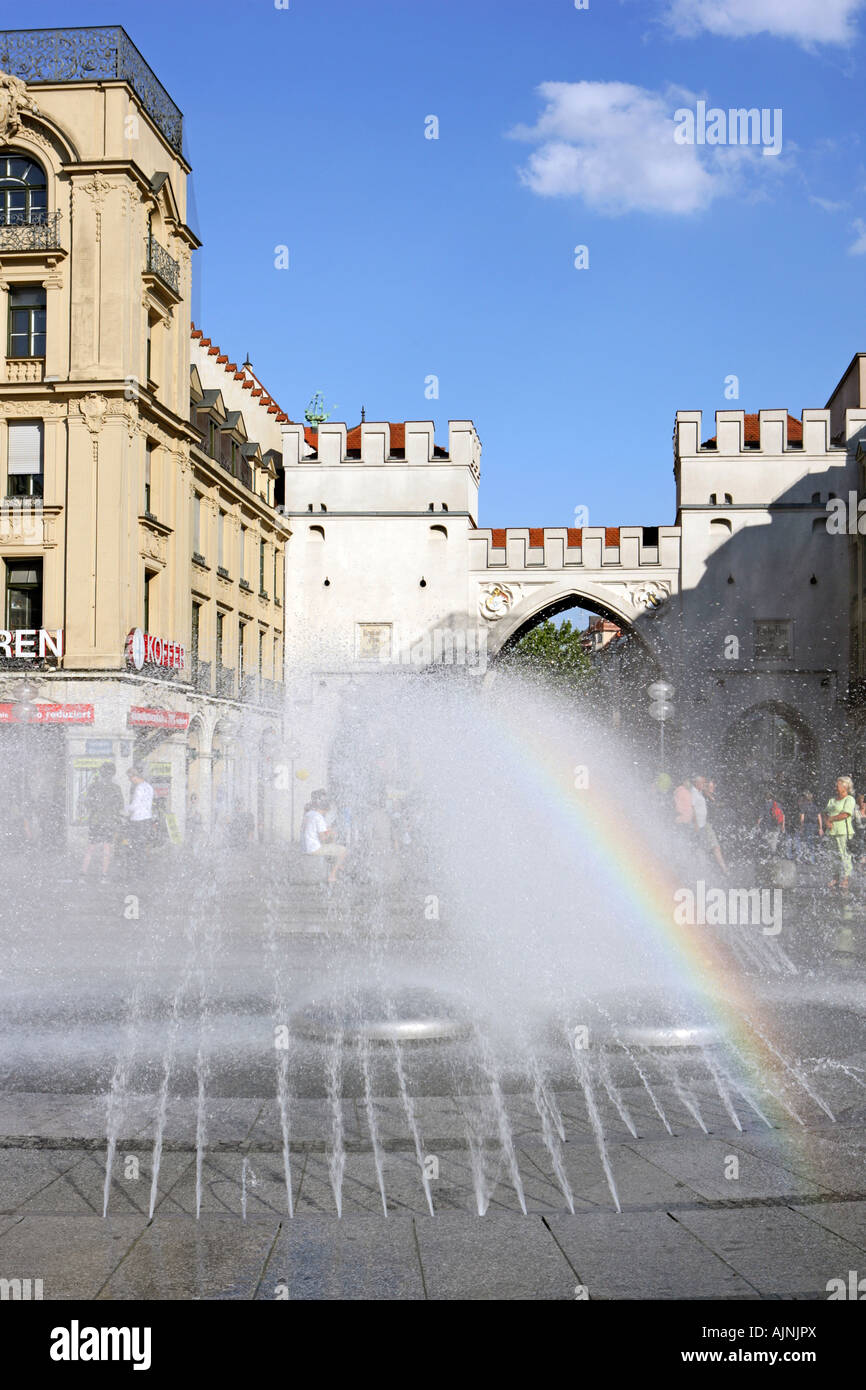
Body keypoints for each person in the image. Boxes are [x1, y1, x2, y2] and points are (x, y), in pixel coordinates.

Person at [81, 761, 123, 883]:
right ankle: (103, 875)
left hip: (95, 821)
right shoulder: (116, 788)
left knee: (90, 847)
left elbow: (87, 803)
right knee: (107, 848)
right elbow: (120, 805)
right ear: (113, 774)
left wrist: (96, 808)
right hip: (109, 822)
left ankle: (83, 874)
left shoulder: (93, 787)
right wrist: (110, 810)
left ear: (101, 773)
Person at [300, 789, 347, 883]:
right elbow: (323, 839)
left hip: (304, 847)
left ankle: (337, 863)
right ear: (325, 810)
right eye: (327, 812)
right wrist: (330, 833)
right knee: (343, 850)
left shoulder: (309, 814)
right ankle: (332, 875)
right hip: (313, 848)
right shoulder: (319, 817)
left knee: (332, 847)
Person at [825, 775, 856, 892]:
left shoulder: (849, 799)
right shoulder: (832, 800)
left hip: (844, 832)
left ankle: (846, 878)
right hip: (831, 832)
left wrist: (831, 819)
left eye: (837, 784)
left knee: (844, 856)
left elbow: (846, 814)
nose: (835, 786)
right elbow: (825, 813)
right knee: (833, 856)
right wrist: (826, 821)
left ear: (845, 786)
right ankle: (835, 878)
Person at [126, 766, 155, 857]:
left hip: (138, 820)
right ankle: (142, 867)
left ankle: (136, 867)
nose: (130, 780)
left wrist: (125, 807)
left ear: (134, 776)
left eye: (130, 778)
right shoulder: (149, 787)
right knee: (143, 845)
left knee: (136, 846)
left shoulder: (139, 788)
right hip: (147, 819)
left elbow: (135, 806)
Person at [798, 790, 823, 864]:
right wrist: (820, 828)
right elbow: (819, 818)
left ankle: (809, 858)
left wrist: (801, 827)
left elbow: (802, 818)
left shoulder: (804, 806)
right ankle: (814, 858)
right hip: (815, 826)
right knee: (814, 842)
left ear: (806, 798)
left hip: (807, 825)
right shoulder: (815, 807)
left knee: (807, 842)